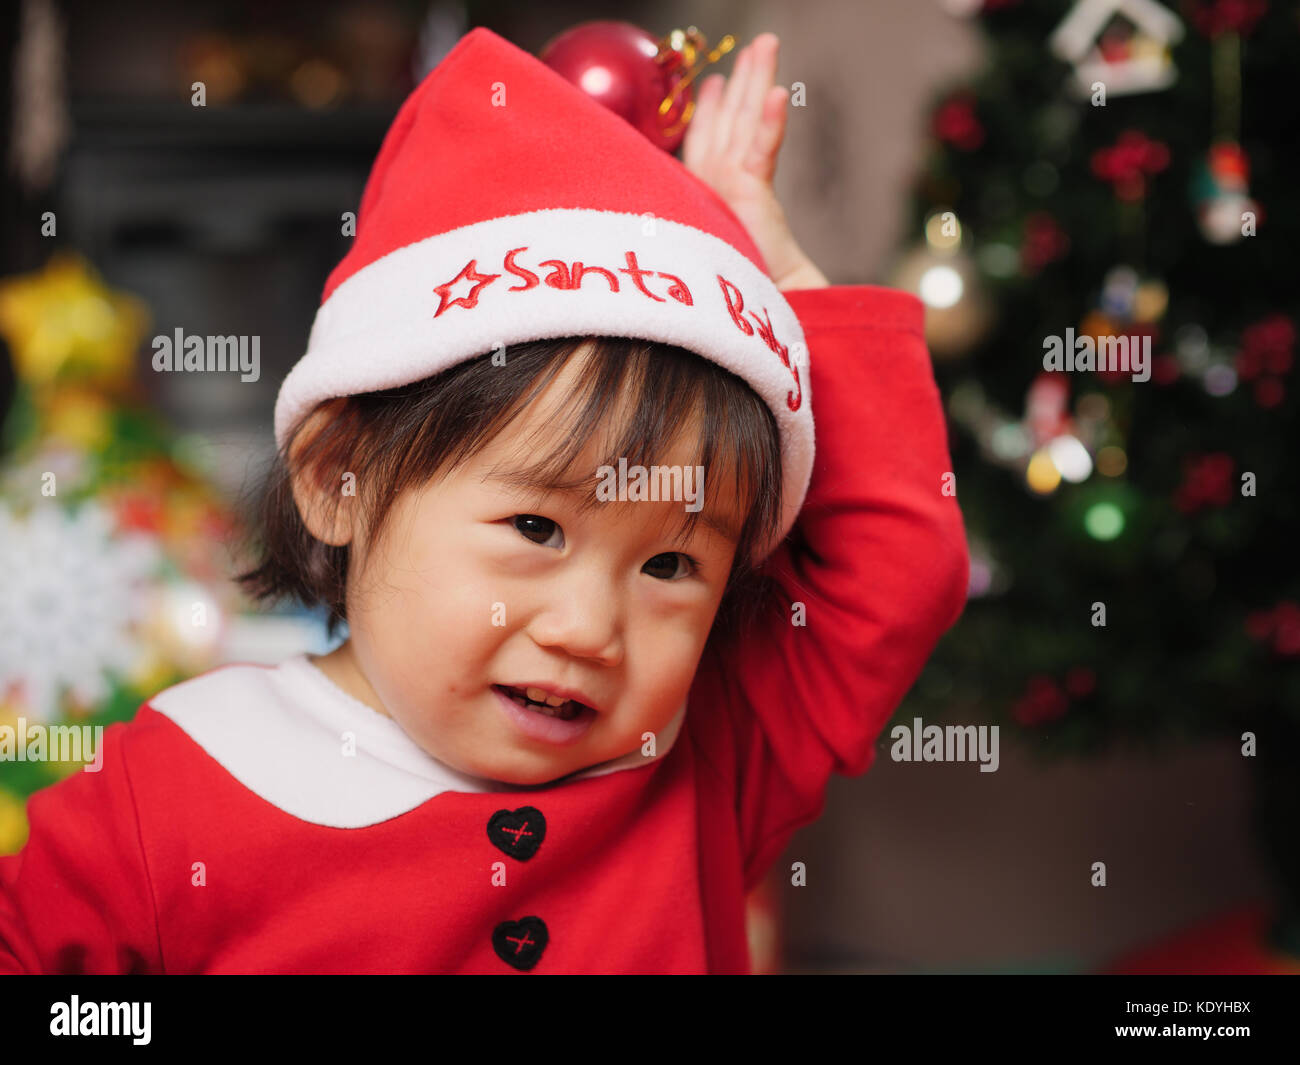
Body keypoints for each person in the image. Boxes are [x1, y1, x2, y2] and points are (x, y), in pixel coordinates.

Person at [0, 27, 968, 974]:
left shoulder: (705, 754)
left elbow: (899, 573)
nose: (590, 628)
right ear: (339, 479)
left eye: (670, 563)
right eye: (537, 528)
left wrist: (785, 285)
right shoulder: (172, 789)